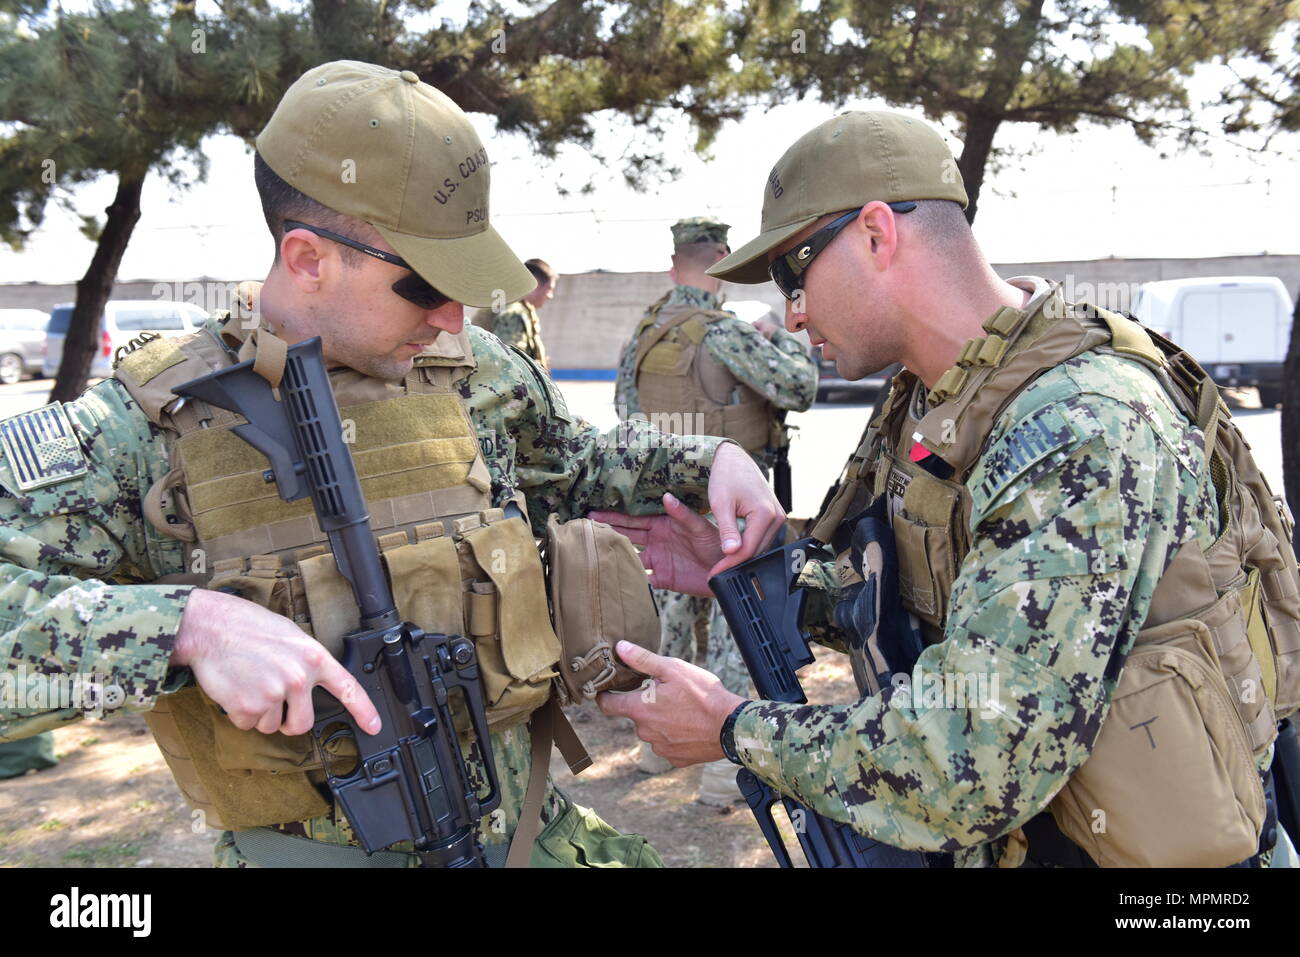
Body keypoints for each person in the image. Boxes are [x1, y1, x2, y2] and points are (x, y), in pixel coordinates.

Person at [0, 60, 782, 869]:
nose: (453, 316)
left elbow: (573, 461)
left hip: (525, 837)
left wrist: (710, 458)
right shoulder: (146, 427)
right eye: (426, 286)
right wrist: (184, 628)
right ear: (307, 258)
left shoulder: (472, 369)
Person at [594, 110, 1300, 867]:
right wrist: (752, 576)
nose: (792, 314)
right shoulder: (935, 398)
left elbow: (975, 758)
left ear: (875, 234)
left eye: (794, 274)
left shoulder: (1081, 424)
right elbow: (899, 599)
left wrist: (735, 729)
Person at [612, 217, 816, 803]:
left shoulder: (646, 331)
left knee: (667, 629)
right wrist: (778, 333)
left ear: (674, 260)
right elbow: (799, 388)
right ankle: (727, 776)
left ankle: (656, 748)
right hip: (731, 515)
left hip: (665, 507)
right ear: (722, 259)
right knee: (739, 631)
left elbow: (626, 414)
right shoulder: (728, 331)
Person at [472, 259, 556, 371]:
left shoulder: (513, 305)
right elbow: (506, 362)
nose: (550, 296)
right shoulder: (514, 313)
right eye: (549, 288)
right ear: (534, 283)